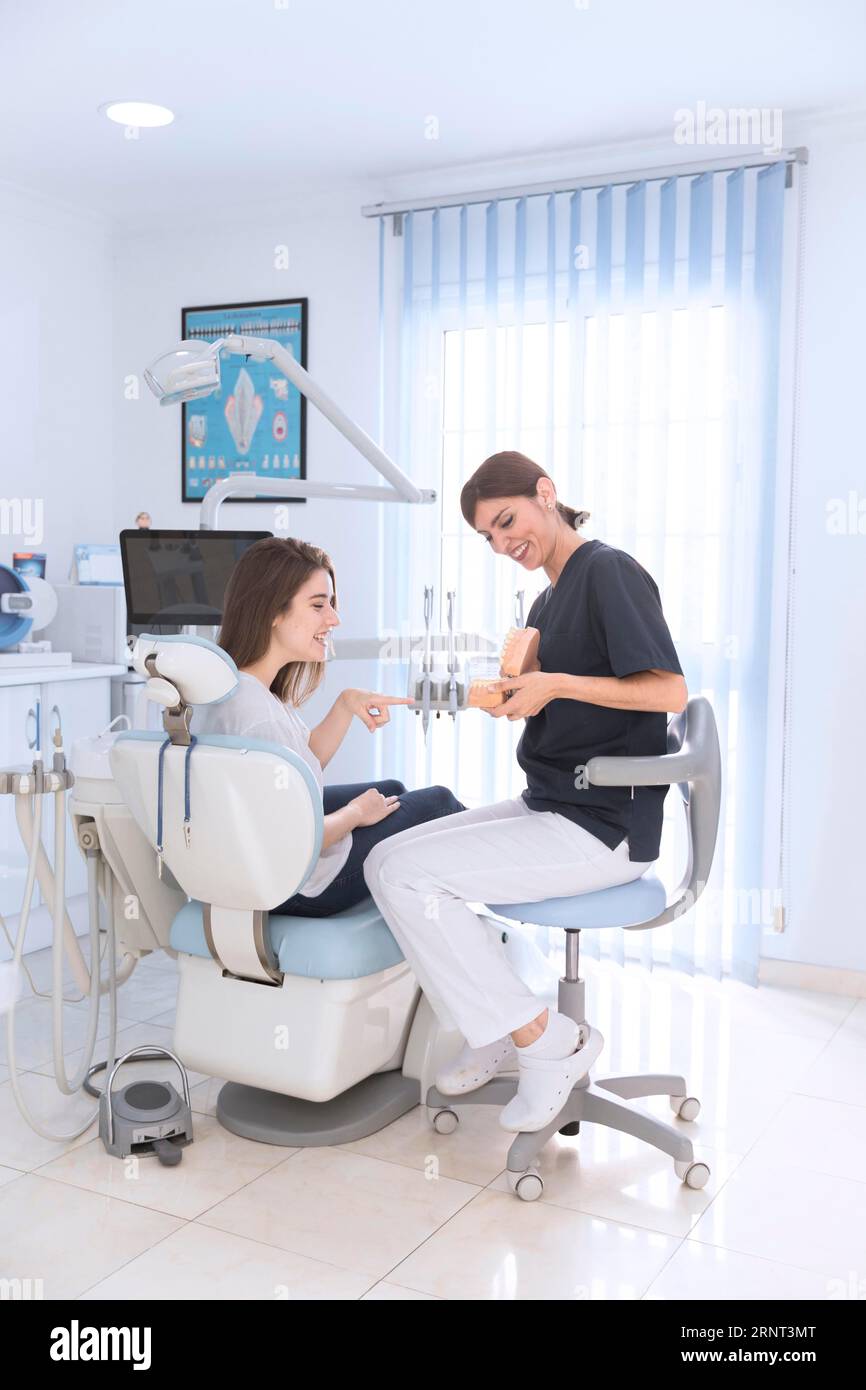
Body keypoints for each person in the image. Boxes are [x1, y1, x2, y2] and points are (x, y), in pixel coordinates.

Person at [363, 451, 687, 1133]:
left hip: (606, 825)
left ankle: (545, 1042)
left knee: (411, 876)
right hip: (555, 804)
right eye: (488, 536)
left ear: (547, 493)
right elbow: (572, 704)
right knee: (386, 864)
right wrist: (519, 696)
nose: (504, 544)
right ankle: (498, 1029)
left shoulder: (608, 572)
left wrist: (553, 685)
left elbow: (668, 691)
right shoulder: (546, 597)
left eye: (507, 522)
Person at [194, 536, 464, 917]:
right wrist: (354, 814)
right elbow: (296, 839)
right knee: (439, 802)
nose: (333, 619)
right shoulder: (259, 717)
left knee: (391, 792)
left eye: (331, 605)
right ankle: (514, 876)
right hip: (300, 886)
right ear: (272, 610)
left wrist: (346, 704)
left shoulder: (241, 689)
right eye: (319, 605)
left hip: (265, 867)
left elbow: (302, 765)